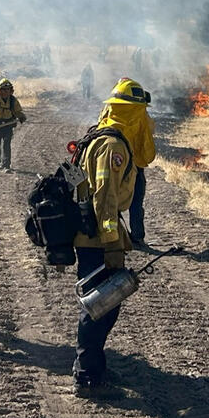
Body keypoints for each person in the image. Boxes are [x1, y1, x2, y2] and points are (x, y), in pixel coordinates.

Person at [72, 78, 150, 398]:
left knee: (106, 302)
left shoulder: (99, 135)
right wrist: (112, 243)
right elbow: (104, 197)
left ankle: (95, 365)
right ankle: (87, 376)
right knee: (99, 305)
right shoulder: (113, 146)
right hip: (97, 238)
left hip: (91, 233)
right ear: (132, 115)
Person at [98, 81, 155, 249]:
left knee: (108, 196)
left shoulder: (108, 112)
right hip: (135, 166)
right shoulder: (140, 114)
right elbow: (148, 140)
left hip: (109, 161)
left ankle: (110, 235)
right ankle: (137, 237)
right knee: (136, 203)